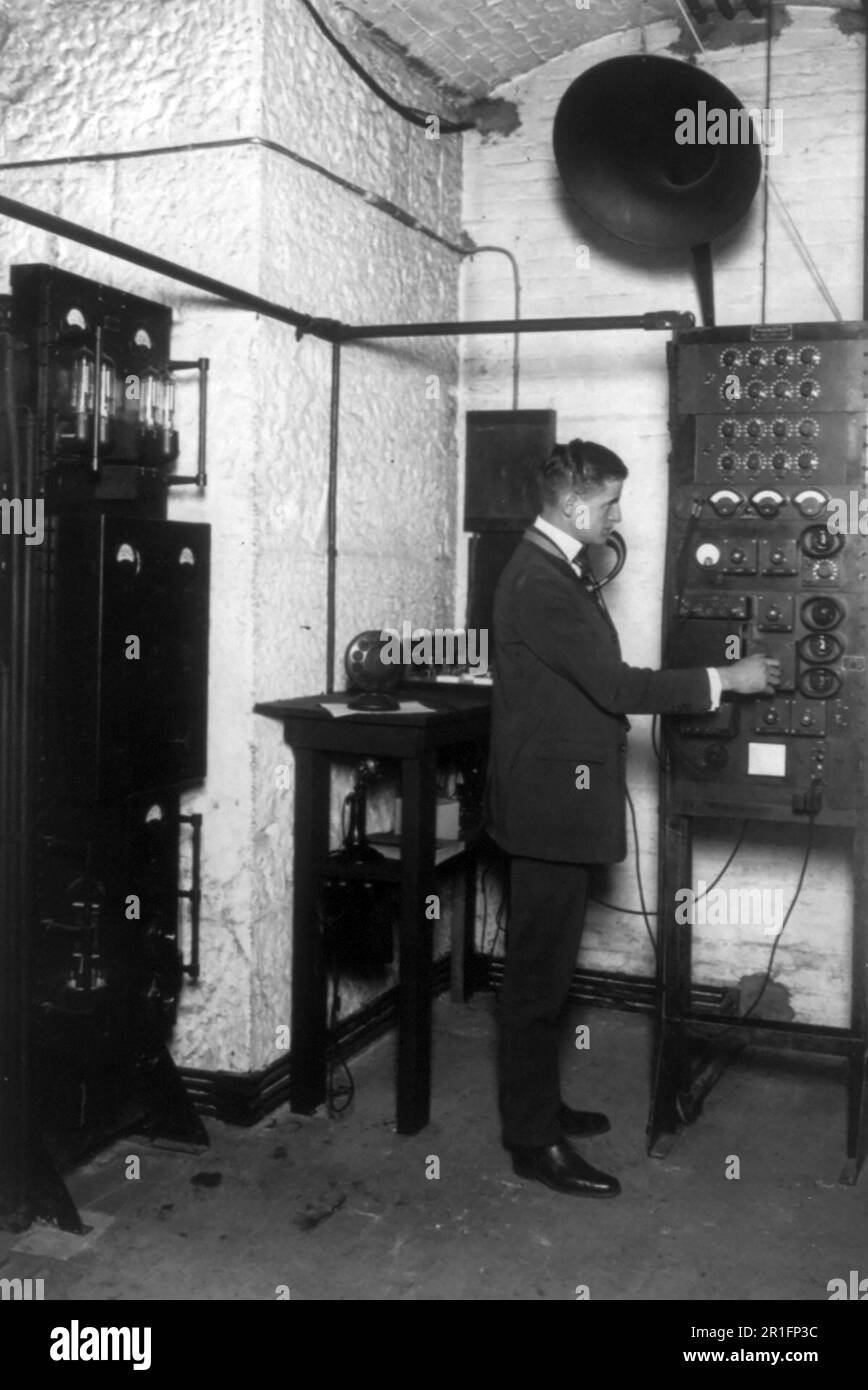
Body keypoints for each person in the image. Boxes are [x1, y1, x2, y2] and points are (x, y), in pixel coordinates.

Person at [485, 439, 780, 1197]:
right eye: (611, 502)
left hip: (559, 800)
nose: (618, 515)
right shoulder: (542, 583)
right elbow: (616, 686)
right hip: (547, 809)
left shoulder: (555, 568)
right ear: (576, 505)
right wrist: (727, 679)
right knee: (535, 982)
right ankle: (531, 1141)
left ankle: (542, 1108)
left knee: (548, 973)